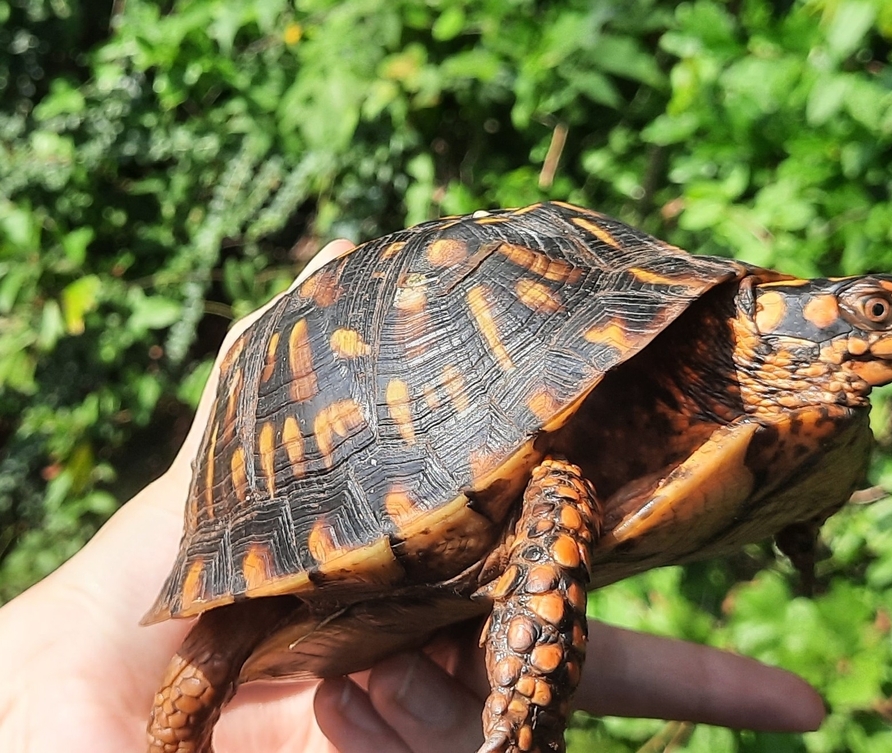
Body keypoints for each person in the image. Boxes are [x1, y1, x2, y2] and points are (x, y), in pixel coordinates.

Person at [0, 240, 826, 752]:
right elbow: (555, 488)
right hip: (338, 493)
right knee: (559, 494)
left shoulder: (758, 394)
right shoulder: (562, 474)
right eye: (871, 308)